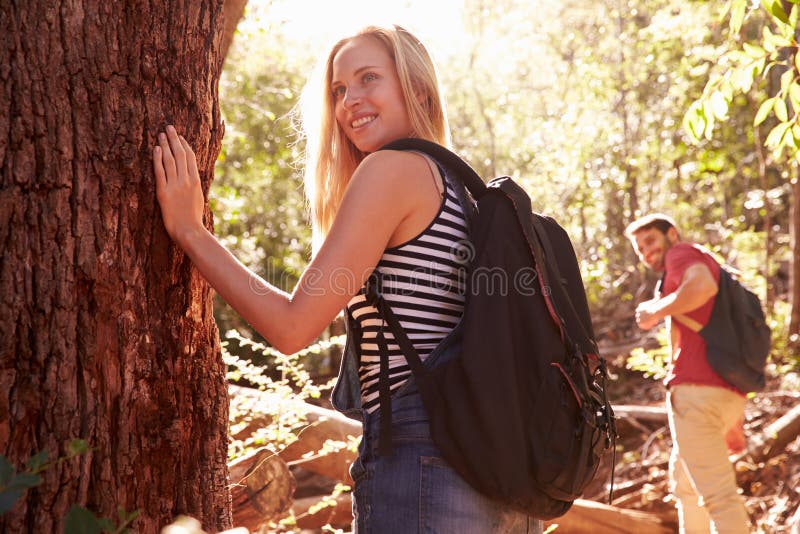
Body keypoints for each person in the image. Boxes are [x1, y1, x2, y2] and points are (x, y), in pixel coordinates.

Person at [153, 24, 542, 533]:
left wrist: (189, 230)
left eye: (368, 79)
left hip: (425, 464)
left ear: (417, 89)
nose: (349, 101)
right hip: (496, 472)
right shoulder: (457, 187)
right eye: (339, 89)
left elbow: (292, 328)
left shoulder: (392, 170)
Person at [625, 213, 750, 534]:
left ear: (672, 233)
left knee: (718, 498)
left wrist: (653, 310)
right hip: (720, 392)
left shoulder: (682, 254)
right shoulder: (705, 261)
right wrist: (732, 418)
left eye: (650, 240)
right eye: (640, 249)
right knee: (686, 487)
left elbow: (701, 287)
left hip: (696, 394)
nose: (646, 252)